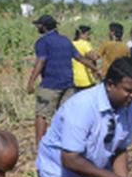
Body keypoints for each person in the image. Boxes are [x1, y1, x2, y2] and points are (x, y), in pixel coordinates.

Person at [26, 14, 96, 144]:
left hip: (50, 84)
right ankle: (69, 143)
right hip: (68, 84)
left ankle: (40, 146)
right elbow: (79, 58)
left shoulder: (42, 42)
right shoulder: (65, 40)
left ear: (43, 27)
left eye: (38, 25)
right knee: (67, 116)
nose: (37, 28)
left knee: (42, 115)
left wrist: (31, 82)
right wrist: (95, 69)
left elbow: (41, 61)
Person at [71, 25, 98, 91]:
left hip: (74, 79)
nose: (88, 37)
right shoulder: (84, 44)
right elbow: (94, 57)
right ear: (81, 34)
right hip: (85, 79)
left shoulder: (71, 43)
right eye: (87, 34)